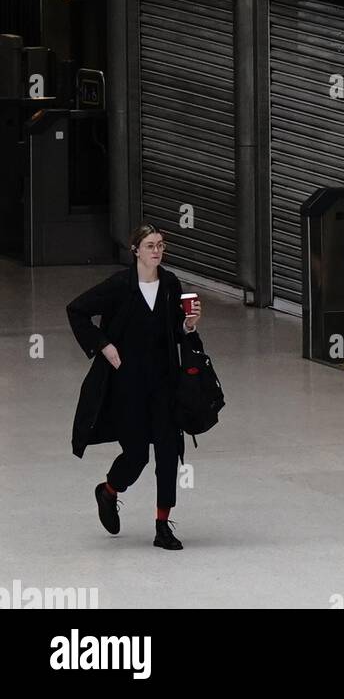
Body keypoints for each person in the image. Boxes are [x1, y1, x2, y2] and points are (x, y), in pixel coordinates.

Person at [67, 224, 202, 551]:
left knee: (169, 453)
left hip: (163, 384)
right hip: (128, 386)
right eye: (150, 245)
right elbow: (77, 310)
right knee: (137, 455)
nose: (157, 251)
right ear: (136, 250)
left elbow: (174, 331)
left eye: (160, 245)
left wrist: (188, 324)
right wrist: (103, 345)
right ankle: (109, 491)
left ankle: (162, 524)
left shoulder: (170, 285)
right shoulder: (119, 286)